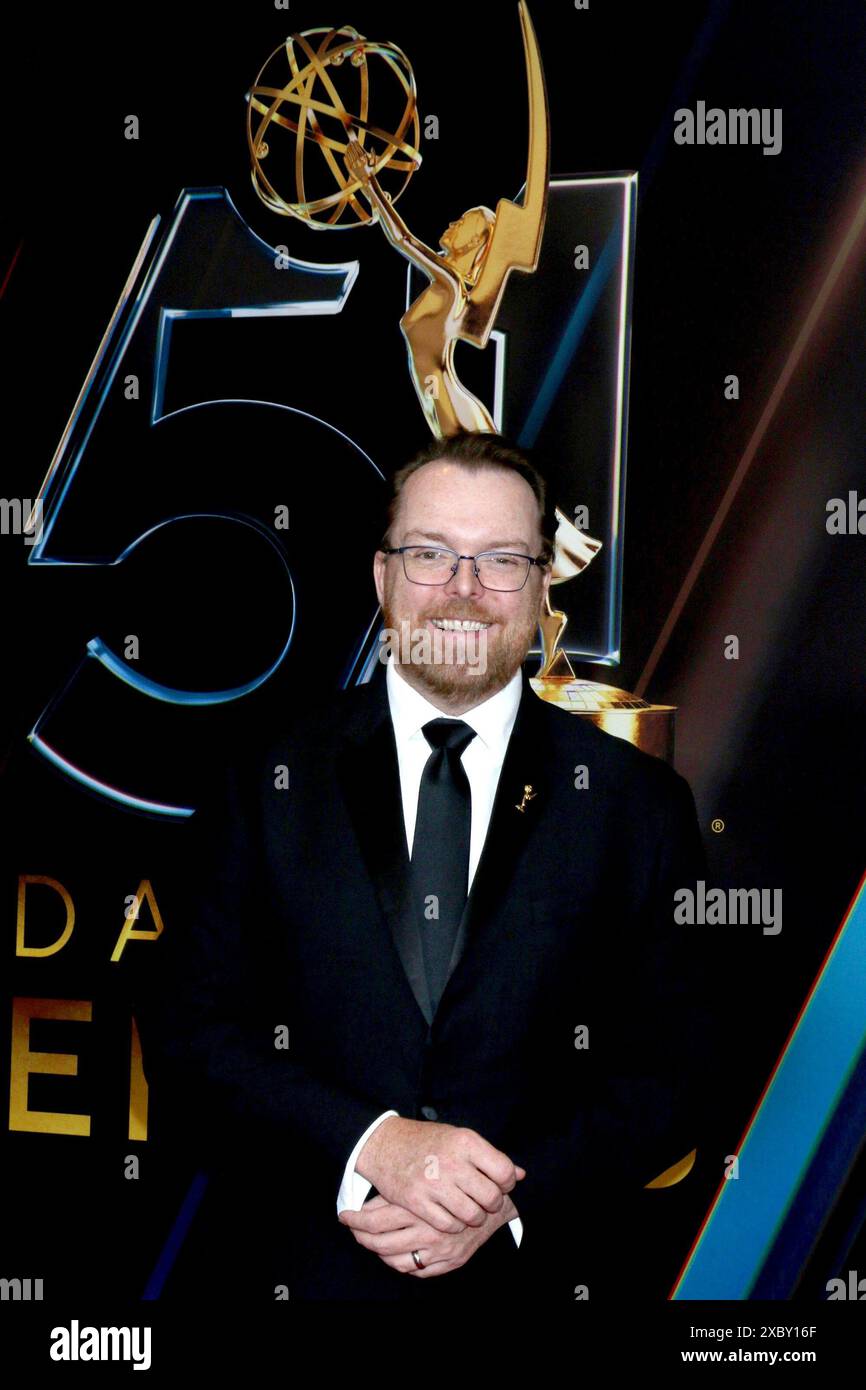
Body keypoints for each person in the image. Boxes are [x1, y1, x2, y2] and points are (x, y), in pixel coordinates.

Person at [134, 430, 717, 1301]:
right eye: (431, 554)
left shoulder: (637, 806)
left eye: (501, 561)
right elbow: (190, 1037)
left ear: (542, 586)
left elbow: (677, 1070)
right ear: (382, 577)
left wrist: (504, 1198)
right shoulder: (262, 776)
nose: (464, 590)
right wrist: (374, 1143)